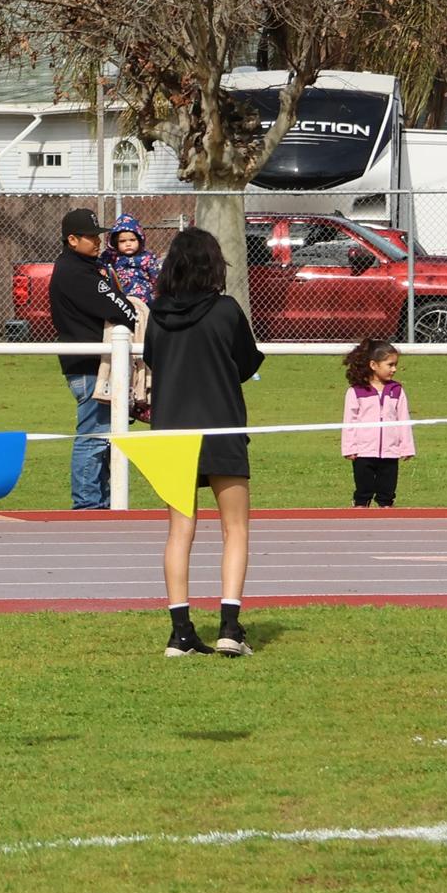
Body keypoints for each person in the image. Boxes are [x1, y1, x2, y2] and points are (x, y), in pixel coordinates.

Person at [142, 227, 263, 656]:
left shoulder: (155, 316)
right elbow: (246, 363)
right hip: (222, 427)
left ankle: (180, 631)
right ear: (215, 266)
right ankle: (230, 627)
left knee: (179, 531)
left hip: (172, 432)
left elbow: (154, 362)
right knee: (236, 529)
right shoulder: (227, 311)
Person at [48, 207, 139, 510]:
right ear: (71, 239)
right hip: (90, 367)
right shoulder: (76, 272)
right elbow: (123, 310)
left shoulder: (82, 268)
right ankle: (88, 506)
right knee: (95, 436)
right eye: (90, 237)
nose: (97, 242)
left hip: (94, 363)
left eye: (98, 236)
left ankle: (103, 502)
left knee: (106, 436)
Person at [340, 338, 413, 509]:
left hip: (390, 452)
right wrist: (349, 447)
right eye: (390, 364)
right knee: (363, 493)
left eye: (395, 365)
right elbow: (349, 421)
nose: (394, 369)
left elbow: (403, 419)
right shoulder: (356, 391)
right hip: (364, 452)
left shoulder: (397, 390)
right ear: (374, 365)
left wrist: (406, 447)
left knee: (386, 496)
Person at [104, 214, 161, 304]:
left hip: (144, 296)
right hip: (122, 294)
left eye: (132, 240)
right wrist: (102, 268)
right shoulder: (113, 256)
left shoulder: (146, 257)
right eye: (122, 241)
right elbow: (100, 263)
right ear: (115, 243)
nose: (128, 244)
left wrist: (158, 293)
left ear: (139, 239)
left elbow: (155, 277)